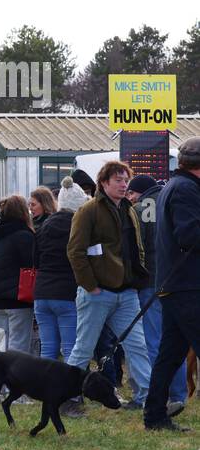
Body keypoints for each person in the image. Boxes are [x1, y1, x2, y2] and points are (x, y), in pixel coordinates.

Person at [65, 160, 152, 410]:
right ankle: (69, 398)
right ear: (104, 182)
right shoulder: (88, 210)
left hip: (126, 293)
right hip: (97, 293)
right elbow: (75, 251)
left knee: (138, 346)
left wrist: (135, 277)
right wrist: (90, 286)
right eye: (118, 180)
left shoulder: (130, 210)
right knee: (84, 348)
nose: (124, 184)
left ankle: (146, 398)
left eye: (126, 180)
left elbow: (137, 248)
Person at [141, 136, 200, 431]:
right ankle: (153, 415)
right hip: (188, 285)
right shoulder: (186, 190)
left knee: (169, 356)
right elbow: (189, 236)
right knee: (169, 355)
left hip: (175, 284)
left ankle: (154, 415)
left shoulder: (174, 187)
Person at [128, 173, 188, 412]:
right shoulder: (171, 203)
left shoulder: (137, 210)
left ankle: (157, 394)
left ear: (140, 192)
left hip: (148, 283)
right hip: (175, 281)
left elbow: (135, 247)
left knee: (153, 341)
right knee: (176, 341)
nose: (129, 196)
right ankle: (179, 394)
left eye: (132, 192)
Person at [33, 177, 86, 364]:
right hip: (66, 292)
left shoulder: (44, 225)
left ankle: (45, 390)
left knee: (47, 348)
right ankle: (71, 391)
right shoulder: (79, 226)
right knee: (70, 347)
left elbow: (35, 259)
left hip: (41, 293)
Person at [0, 195, 36, 358]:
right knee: (18, 344)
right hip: (17, 300)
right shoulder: (24, 235)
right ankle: (14, 382)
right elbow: (31, 264)